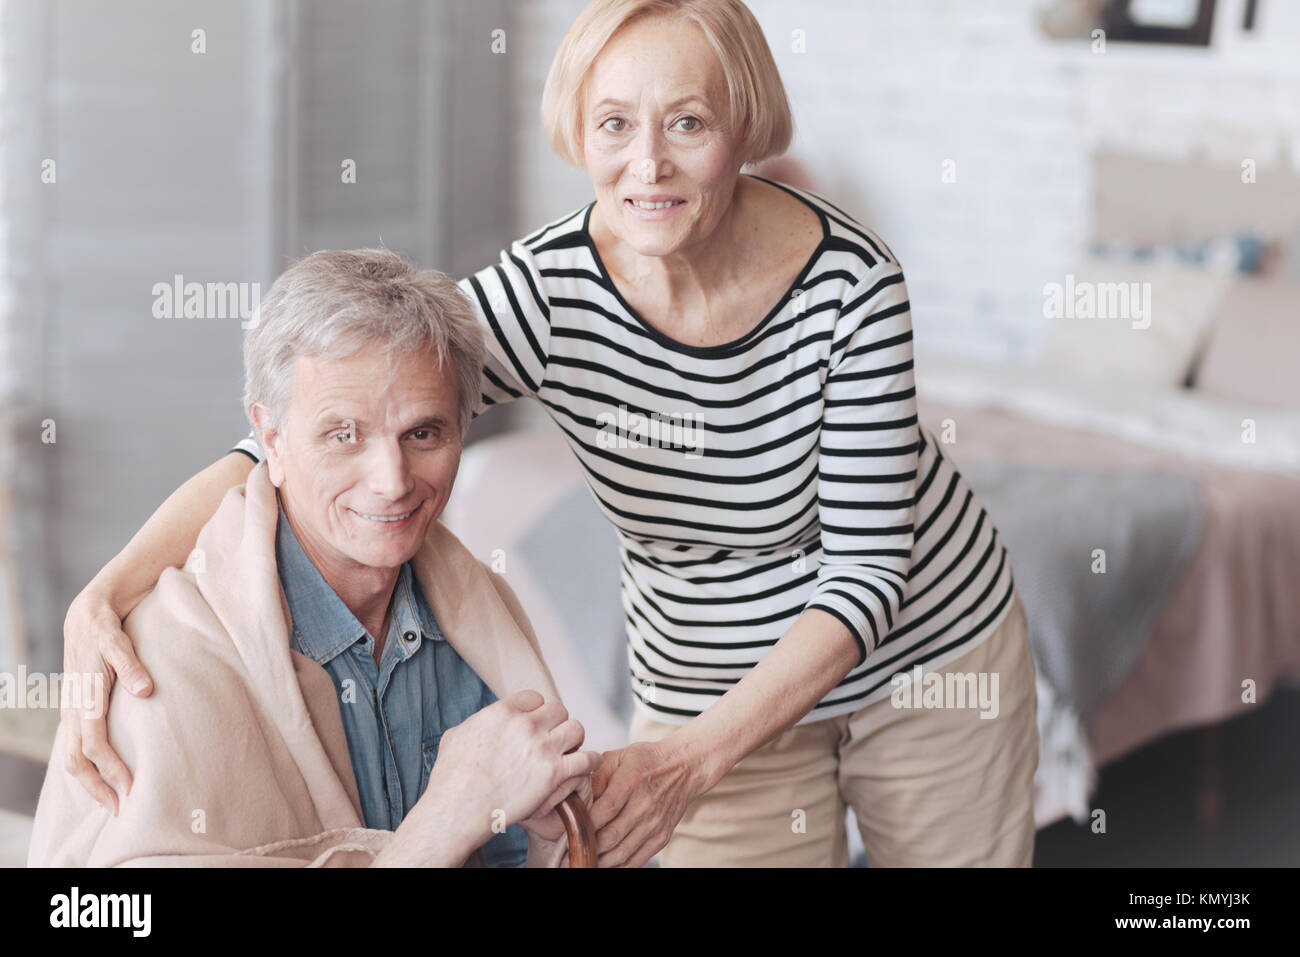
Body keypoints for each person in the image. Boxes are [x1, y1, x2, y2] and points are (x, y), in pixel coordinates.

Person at [61, 0, 1038, 867]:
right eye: (614, 124)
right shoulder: (549, 291)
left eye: (686, 123)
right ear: (578, 130)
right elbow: (316, 436)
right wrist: (105, 593)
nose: (646, 164)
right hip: (701, 672)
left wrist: (683, 764)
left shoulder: (852, 288)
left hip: (924, 655)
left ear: (741, 124)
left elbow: (867, 573)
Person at [31, 250, 597, 867]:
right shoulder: (161, 665)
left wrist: (549, 843)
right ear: (269, 440)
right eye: (344, 435)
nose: (392, 481)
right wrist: (444, 821)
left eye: (423, 433)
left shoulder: (482, 622)